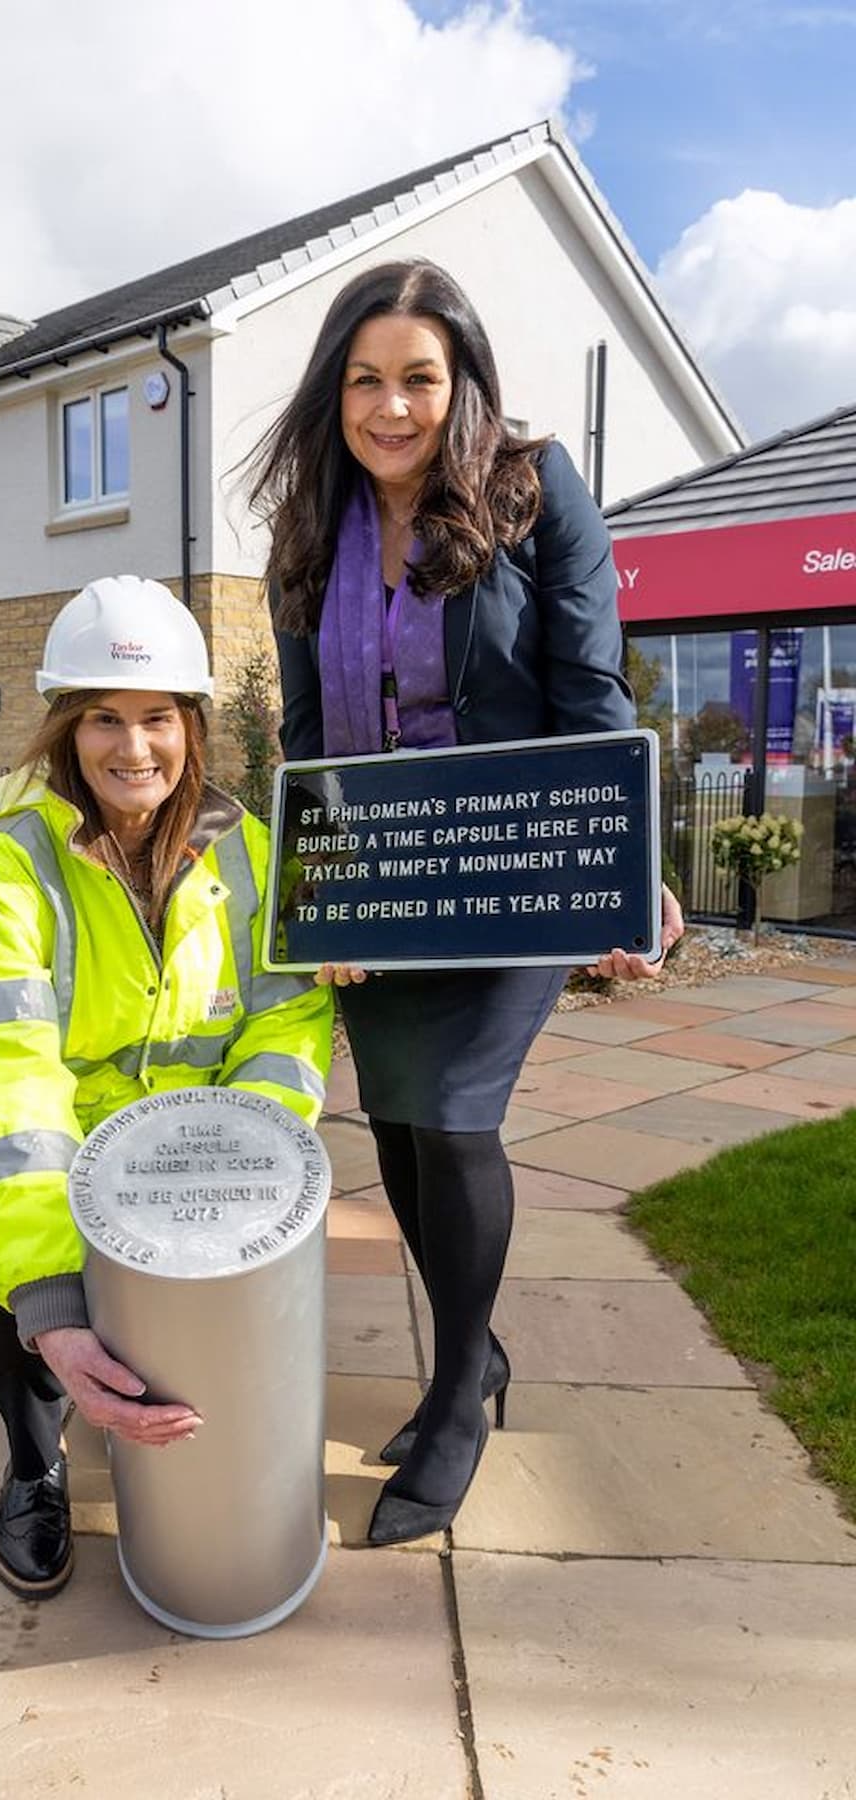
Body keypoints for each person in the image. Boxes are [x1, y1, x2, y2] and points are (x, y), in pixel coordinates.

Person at [249, 259, 683, 1547]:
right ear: (336, 390)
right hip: (376, 879)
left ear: (464, 382)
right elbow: (308, 731)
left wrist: (624, 858)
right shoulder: (305, 529)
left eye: (419, 379)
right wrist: (312, 899)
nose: (392, 407)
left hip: (514, 862)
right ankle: (476, 1356)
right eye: (366, 379)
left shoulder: (537, 496)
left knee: (454, 1117)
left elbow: (591, 688)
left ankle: (455, 1400)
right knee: (393, 1125)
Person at [0, 575, 333, 1597]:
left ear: (191, 725)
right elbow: (10, 1077)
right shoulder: (3, 867)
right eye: (104, 718)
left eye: (157, 718)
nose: (133, 747)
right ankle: (35, 1463)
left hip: (199, 1139)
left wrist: (243, 1163)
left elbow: (288, 1022)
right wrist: (57, 1308)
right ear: (66, 727)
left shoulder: (252, 851)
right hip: (65, 1140)